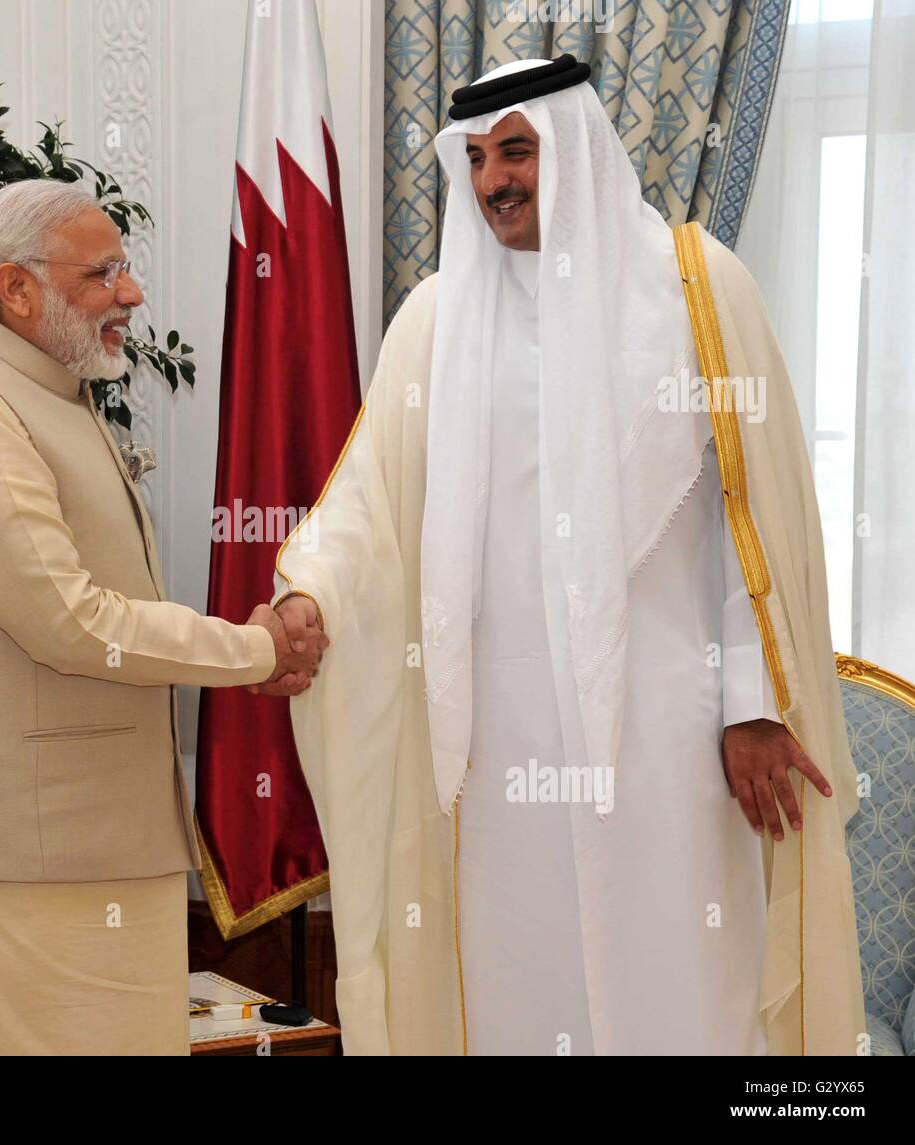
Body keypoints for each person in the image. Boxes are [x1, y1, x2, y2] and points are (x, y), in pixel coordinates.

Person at [268, 57, 866, 1055]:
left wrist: (754, 704)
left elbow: (745, 517)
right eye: (478, 157)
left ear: (578, 149)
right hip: (496, 744)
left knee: (682, 981)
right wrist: (306, 597)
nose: (496, 177)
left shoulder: (696, 291)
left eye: (518, 149)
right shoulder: (434, 322)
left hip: (668, 735)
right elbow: (364, 502)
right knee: (516, 985)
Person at [0, 179, 325, 1056]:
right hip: (26, 858)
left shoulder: (52, 396)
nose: (130, 294)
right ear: (17, 290)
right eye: (103, 273)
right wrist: (254, 648)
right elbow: (70, 620)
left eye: (124, 270)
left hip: (82, 852)